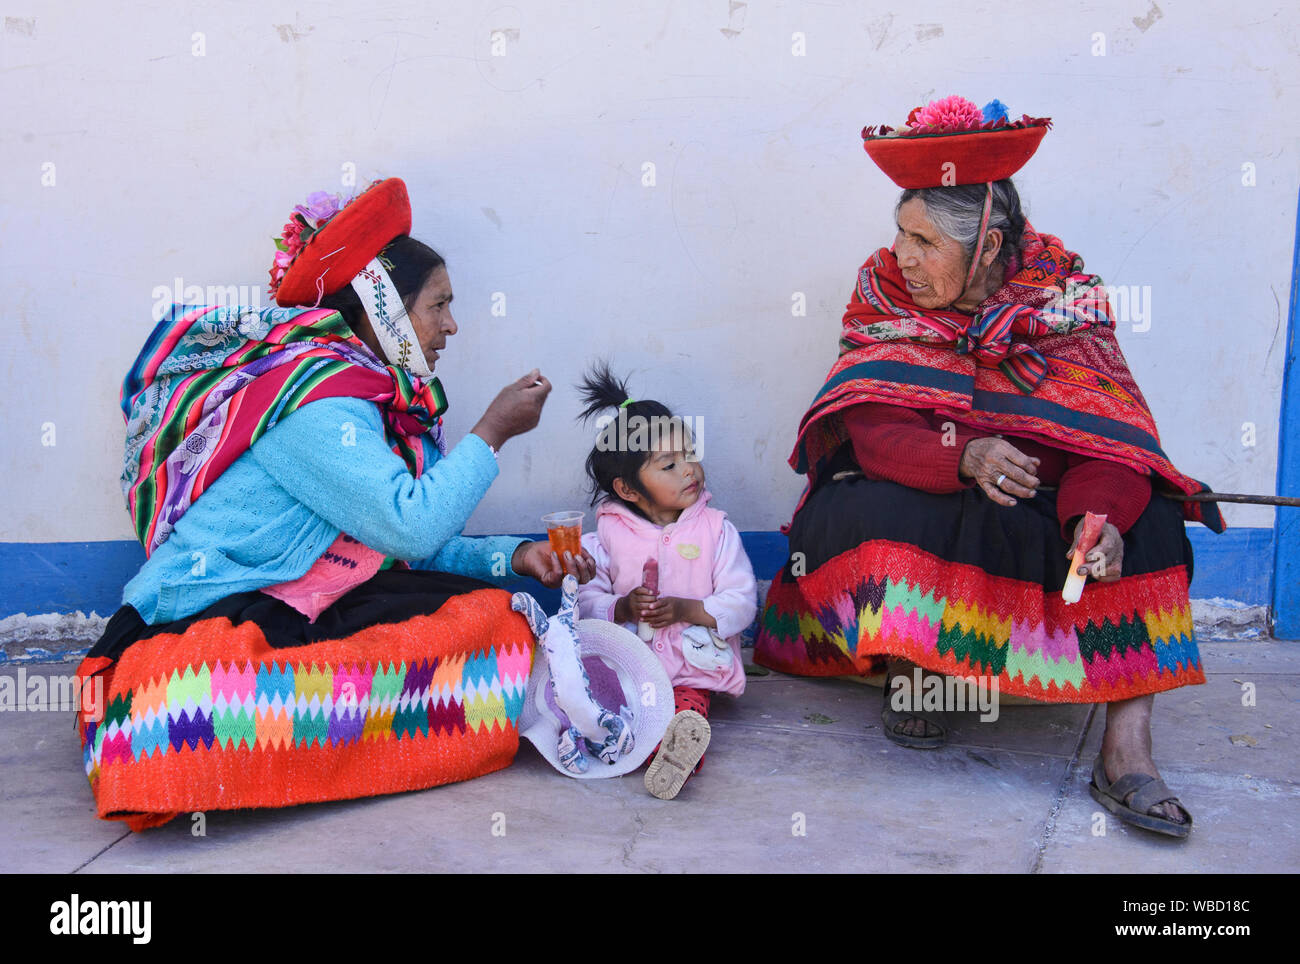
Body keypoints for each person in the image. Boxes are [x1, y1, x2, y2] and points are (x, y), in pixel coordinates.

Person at [754, 97, 1223, 838]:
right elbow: (871, 430)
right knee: (869, 509)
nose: (903, 256)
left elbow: (1114, 438)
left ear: (987, 245)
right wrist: (962, 454)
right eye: (901, 233)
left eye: (924, 241)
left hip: (1040, 509)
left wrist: (1093, 522)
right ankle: (919, 669)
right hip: (933, 493)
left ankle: (1126, 751)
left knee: (1156, 524)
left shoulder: (1064, 302)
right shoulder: (883, 292)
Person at [77, 177, 595, 830]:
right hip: (219, 606)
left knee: (497, 624)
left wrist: (519, 557)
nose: (452, 326)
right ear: (383, 307)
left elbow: (415, 543)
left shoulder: (379, 402)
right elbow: (410, 527)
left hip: (308, 596)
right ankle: (235, 743)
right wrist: (491, 432)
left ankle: (309, 743)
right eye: (438, 306)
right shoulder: (316, 403)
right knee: (180, 708)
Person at [574, 365, 757, 800]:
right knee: (602, 701)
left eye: (690, 454)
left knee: (684, 706)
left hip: (689, 667)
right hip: (625, 667)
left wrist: (688, 610)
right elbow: (585, 601)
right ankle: (616, 737)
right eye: (669, 465)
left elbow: (742, 600)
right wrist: (621, 607)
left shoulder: (715, 530)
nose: (689, 470)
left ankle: (675, 751)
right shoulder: (605, 539)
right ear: (629, 489)